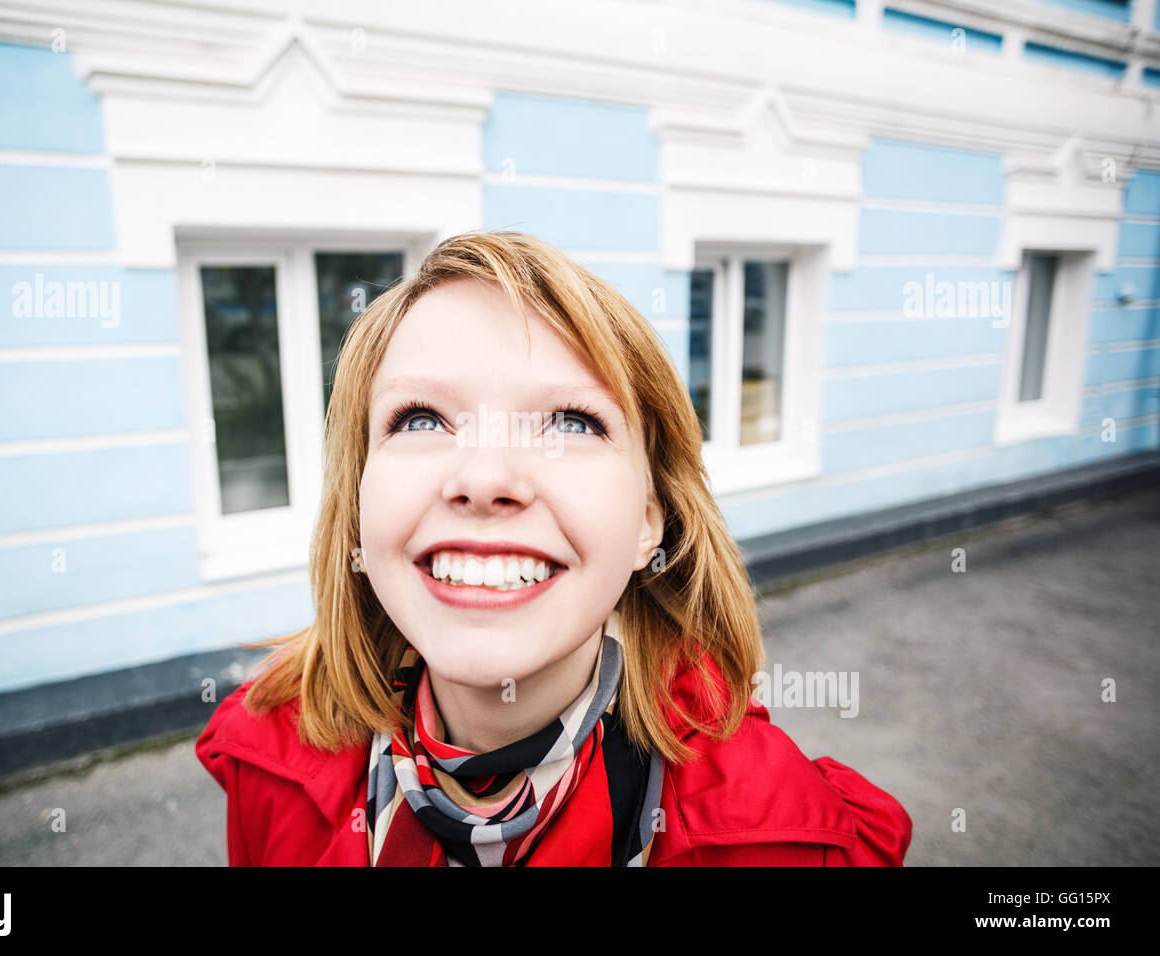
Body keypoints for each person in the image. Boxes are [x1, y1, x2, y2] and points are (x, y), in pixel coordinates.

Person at [196, 230, 912, 866]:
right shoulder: (265, 766)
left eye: (571, 422)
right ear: (357, 503)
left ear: (649, 520)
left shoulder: (787, 843)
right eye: (420, 419)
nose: (484, 480)